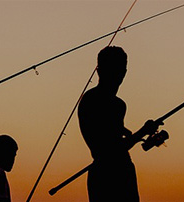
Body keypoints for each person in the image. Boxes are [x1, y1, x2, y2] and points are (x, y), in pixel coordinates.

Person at [77, 46, 162, 202]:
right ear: (99, 70)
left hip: (119, 171)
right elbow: (110, 149)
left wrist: (126, 132)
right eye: (113, 69)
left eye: (119, 69)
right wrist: (142, 132)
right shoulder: (96, 101)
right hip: (109, 175)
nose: (117, 74)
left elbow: (108, 133)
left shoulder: (115, 104)